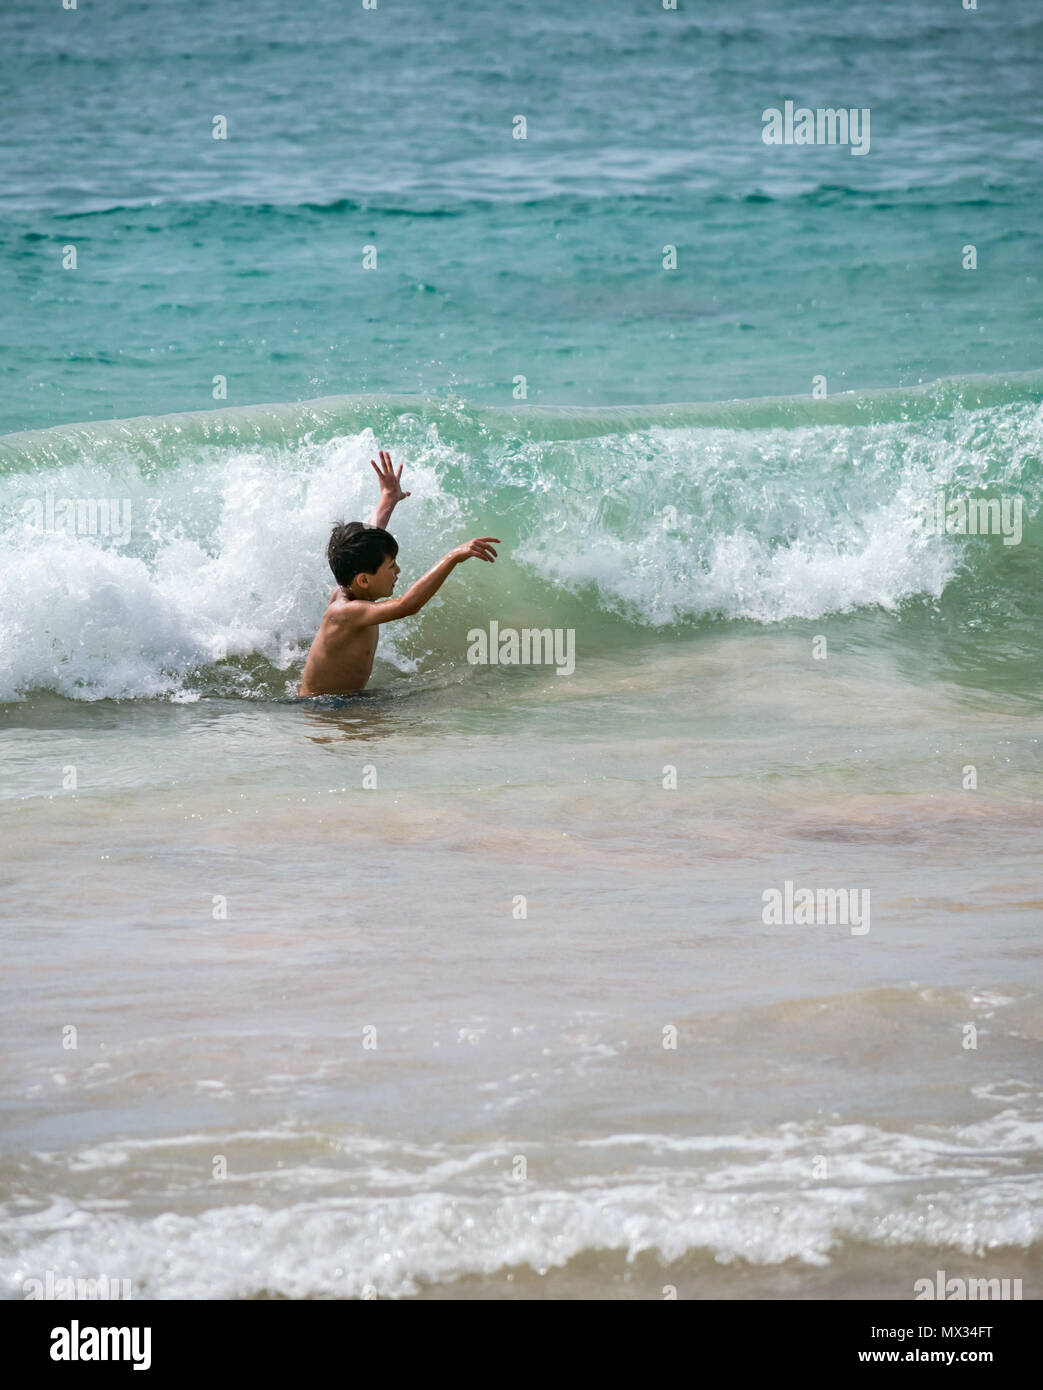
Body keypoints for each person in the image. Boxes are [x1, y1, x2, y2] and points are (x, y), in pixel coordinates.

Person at [299, 450, 499, 696]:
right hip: (326, 712)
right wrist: (453, 557)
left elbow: (369, 544)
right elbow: (407, 605)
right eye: (391, 566)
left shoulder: (353, 586)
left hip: (346, 702)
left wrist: (387, 500)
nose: (398, 570)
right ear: (363, 580)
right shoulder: (344, 612)